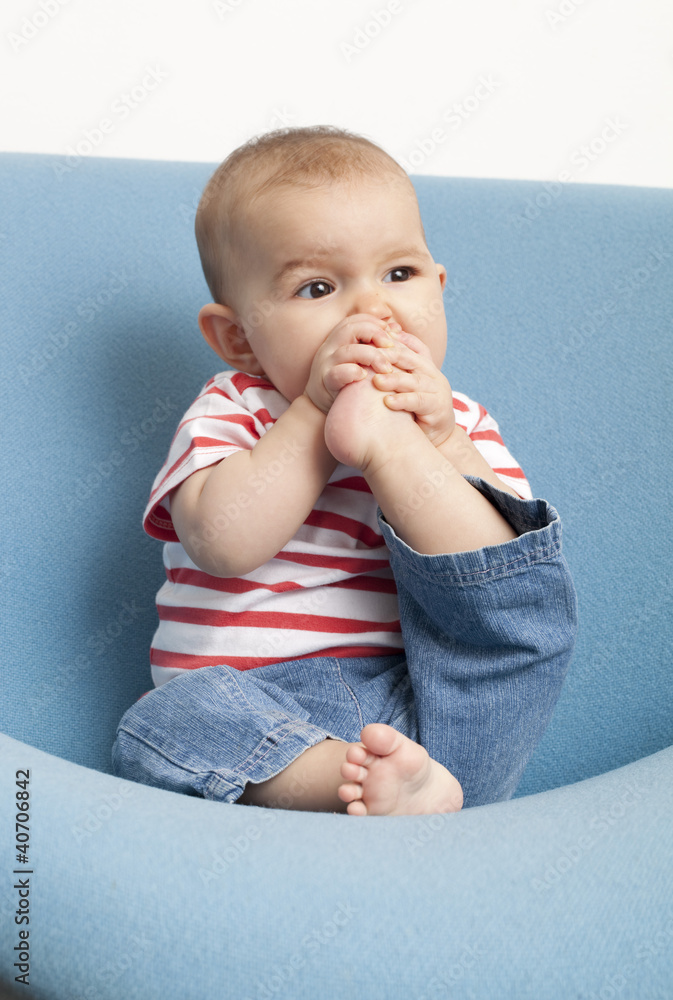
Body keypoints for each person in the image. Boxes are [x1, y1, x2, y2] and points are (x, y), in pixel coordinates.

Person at [112, 125, 578, 816]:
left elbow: (503, 593)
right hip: (256, 706)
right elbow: (221, 543)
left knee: (526, 616)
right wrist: (313, 416)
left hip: (428, 703)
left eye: (399, 274)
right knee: (156, 726)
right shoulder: (234, 408)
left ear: (438, 286)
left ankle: (414, 787)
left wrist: (416, 444)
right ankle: (345, 785)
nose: (372, 310)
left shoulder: (458, 419)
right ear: (237, 336)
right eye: (318, 287)